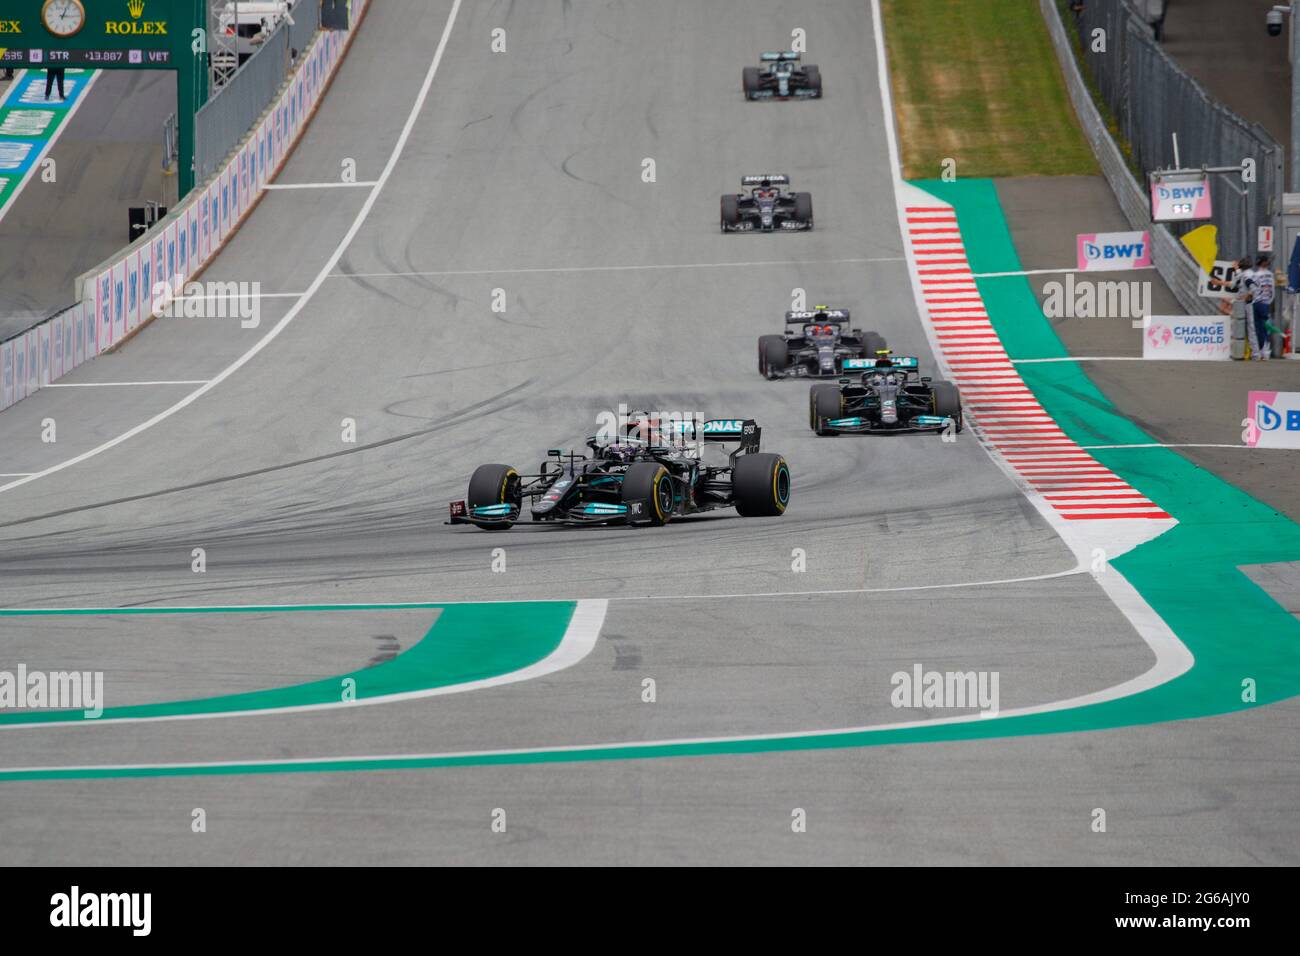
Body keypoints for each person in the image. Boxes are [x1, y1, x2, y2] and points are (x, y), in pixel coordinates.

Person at [1244, 256, 1276, 360]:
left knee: (1258, 328)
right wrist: (1269, 301)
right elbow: (1273, 290)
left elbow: (1250, 285)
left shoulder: (1255, 275)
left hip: (1257, 302)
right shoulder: (1271, 275)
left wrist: (1250, 296)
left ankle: (1259, 353)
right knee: (1266, 327)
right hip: (1266, 303)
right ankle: (1266, 353)